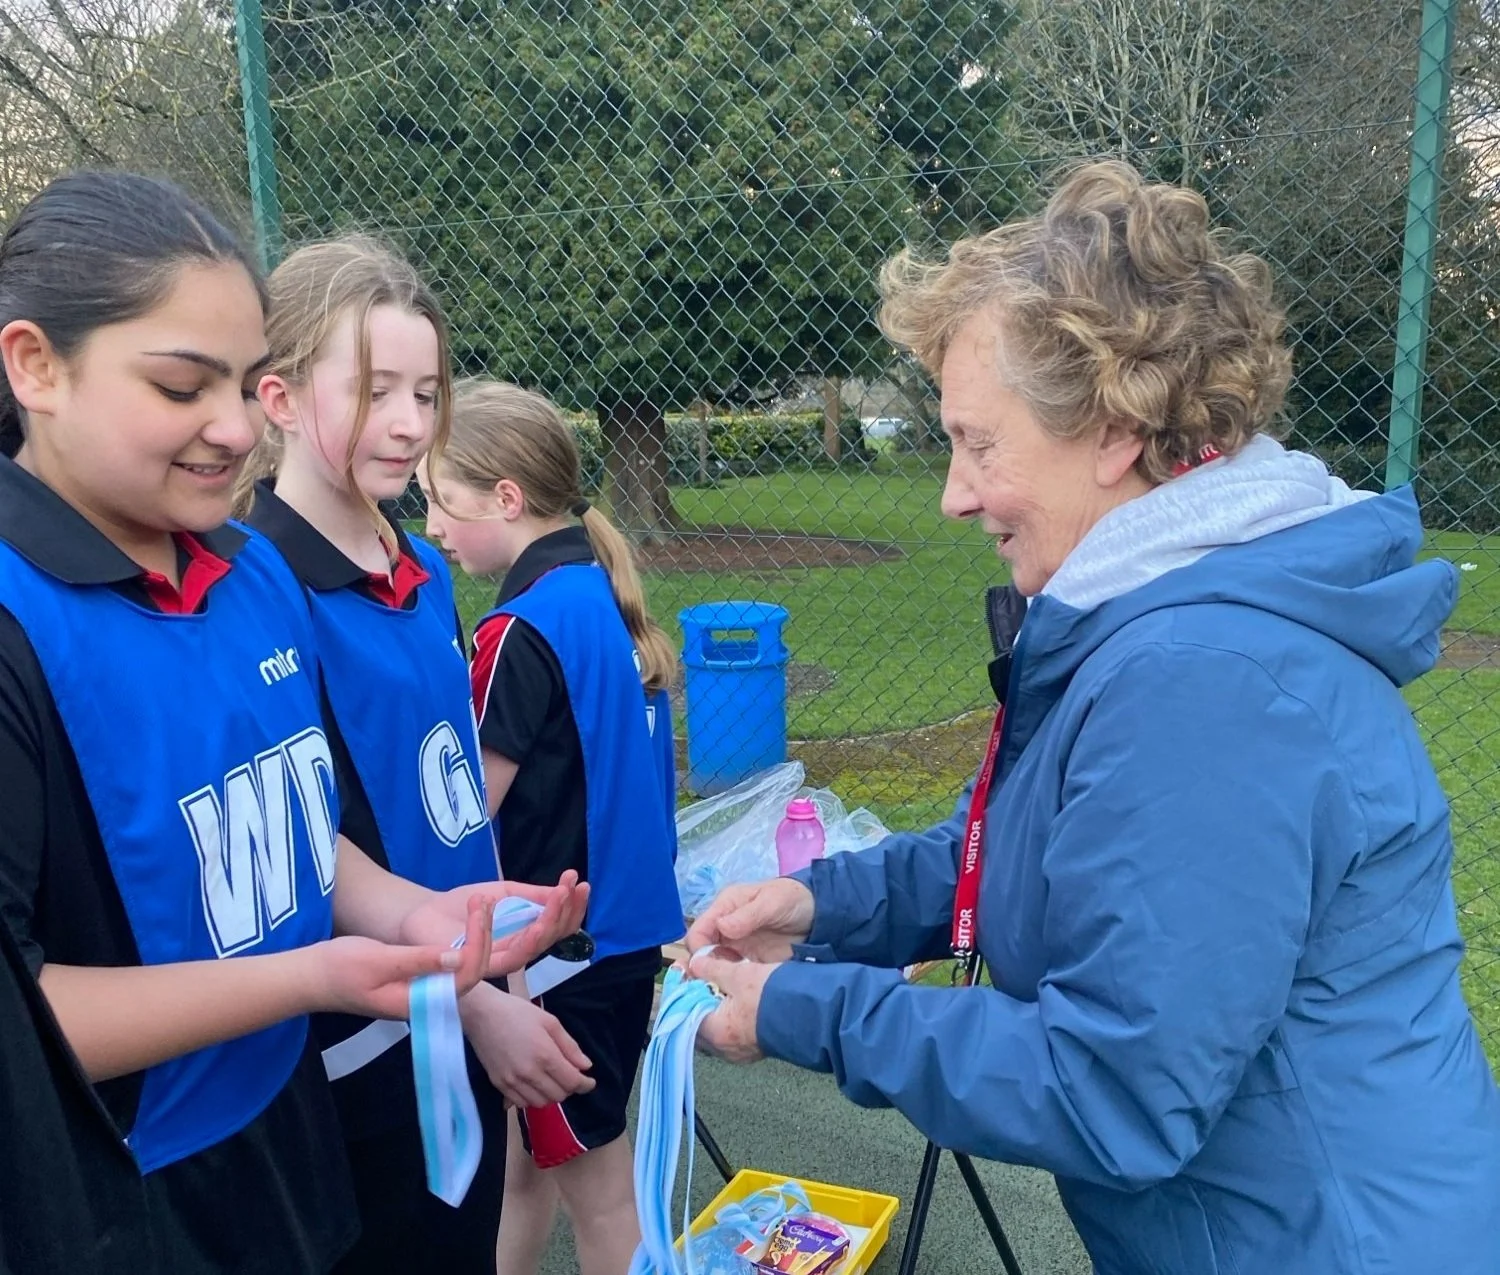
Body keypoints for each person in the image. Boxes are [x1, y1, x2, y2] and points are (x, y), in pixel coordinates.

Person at [685, 160, 1500, 1274]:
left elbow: (1115, 1088)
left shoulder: (1204, 679)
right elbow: (1025, 848)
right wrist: (819, 905)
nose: (953, 493)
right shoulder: (1153, 622)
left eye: (980, 443)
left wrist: (805, 1011)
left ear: (1115, 431)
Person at [0, 170, 586, 1275]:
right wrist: (315, 976)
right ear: (35, 365)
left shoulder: (245, 574)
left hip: (285, 1135)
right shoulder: (19, 623)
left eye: (243, 380)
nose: (229, 426)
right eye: (181, 386)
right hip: (117, 1186)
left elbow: (294, 829)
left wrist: (422, 916)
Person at [237, 235, 595, 1274]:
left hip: (464, 982)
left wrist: (500, 966)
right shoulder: (259, 589)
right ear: (283, 399)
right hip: (367, 1038)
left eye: (427, 392)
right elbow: (320, 842)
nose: (409, 423)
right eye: (376, 389)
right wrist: (471, 1003)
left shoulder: (424, 566)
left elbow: (448, 812)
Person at [420, 379, 684, 1275]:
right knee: (529, 1163)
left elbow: (463, 820)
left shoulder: (515, 630)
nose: (431, 526)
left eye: (441, 499)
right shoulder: (593, 592)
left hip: (559, 949)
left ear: (505, 497)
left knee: (603, 1199)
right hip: (618, 942)